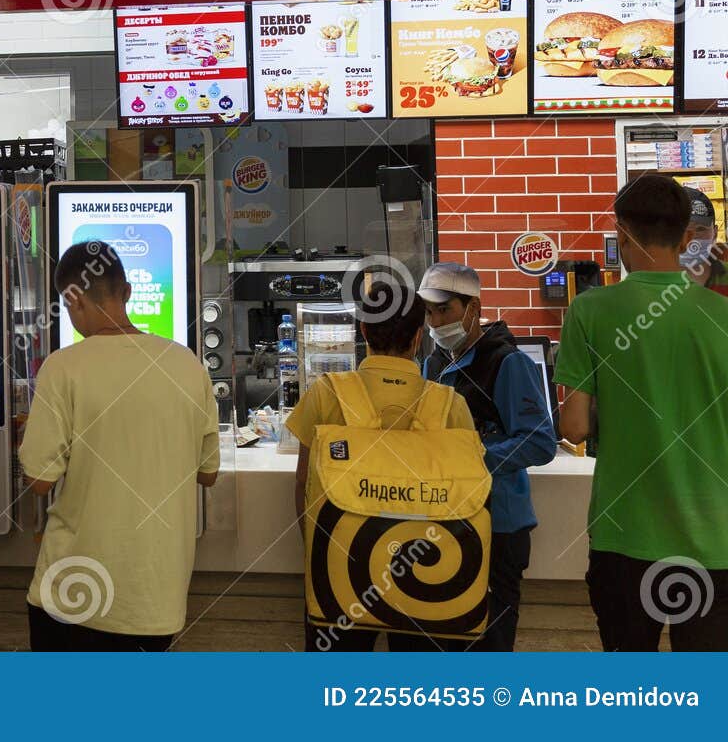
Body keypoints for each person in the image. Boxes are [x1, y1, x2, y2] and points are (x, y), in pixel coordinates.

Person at [556, 173, 728, 650]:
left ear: (622, 232)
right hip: (714, 539)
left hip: (625, 536)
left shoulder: (590, 310)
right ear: (689, 236)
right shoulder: (723, 317)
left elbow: (573, 426)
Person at [21, 241, 220, 652]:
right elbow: (208, 473)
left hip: (71, 593)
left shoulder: (63, 368)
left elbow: (39, 480)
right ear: (126, 292)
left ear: (70, 301)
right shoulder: (187, 365)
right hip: (155, 599)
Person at [289, 280, 476, 652]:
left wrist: (318, 551)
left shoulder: (326, 392)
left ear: (363, 330)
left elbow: (304, 487)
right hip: (426, 578)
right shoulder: (449, 403)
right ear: (419, 336)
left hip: (340, 574)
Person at [418, 262, 557, 651]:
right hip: (445, 523)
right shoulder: (431, 365)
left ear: (474, 309)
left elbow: (540, 441)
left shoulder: (507, 362)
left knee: (490, 647)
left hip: (499, 527)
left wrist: (474, 459)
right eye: (429, 312)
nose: (434, 320)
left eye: (444, 310)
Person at [681, 188, 728, 296]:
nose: (691, 238)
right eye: (682, 229)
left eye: (700, 229)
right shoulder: (649, 284)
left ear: (715, 234)